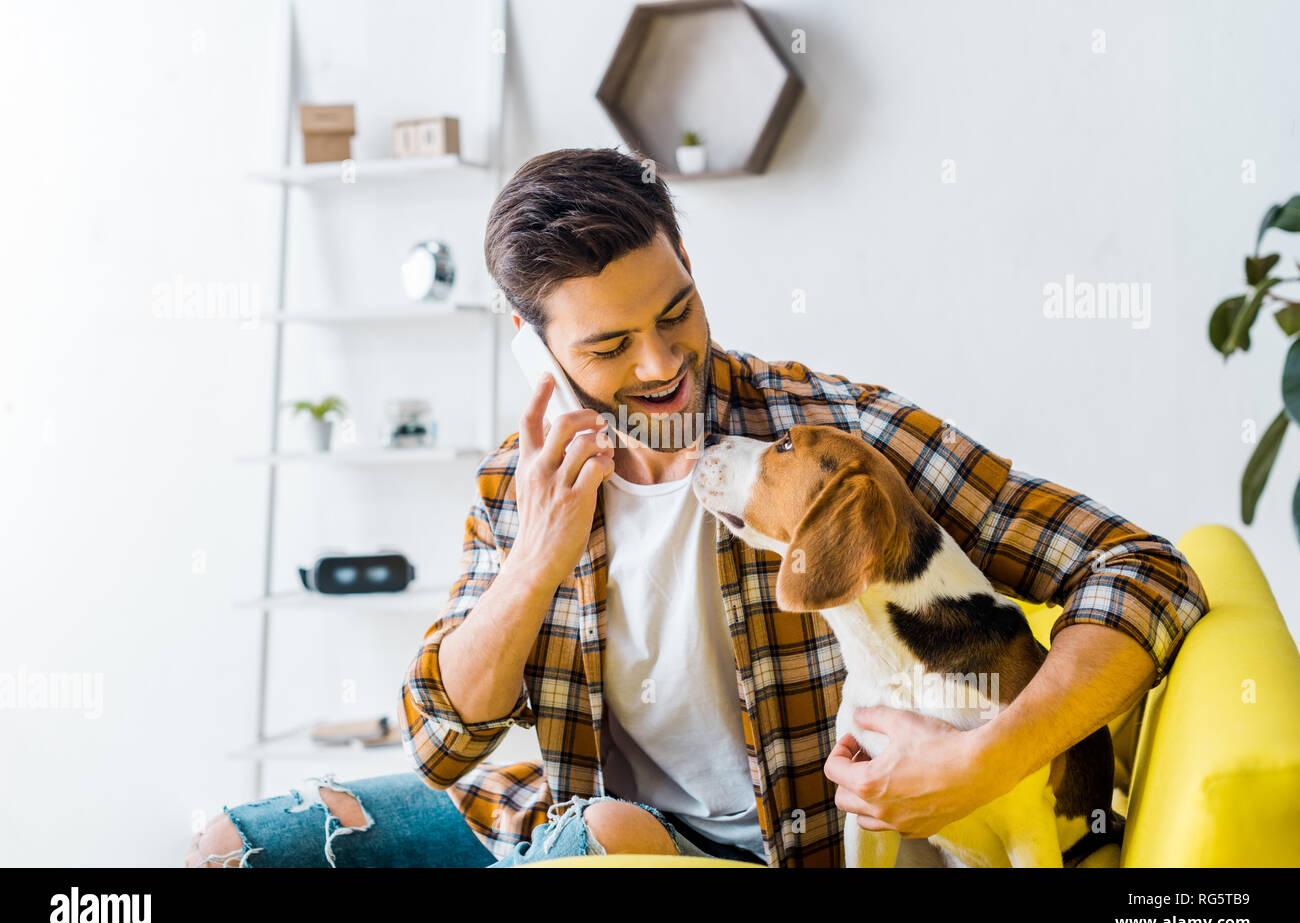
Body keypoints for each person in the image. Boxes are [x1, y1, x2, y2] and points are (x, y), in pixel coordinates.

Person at [187, 147, 1208, 868]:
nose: (663, 363)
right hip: (542, 815)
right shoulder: (521, 480)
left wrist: (986, 759)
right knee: (226, 847)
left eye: (676, 310)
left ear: (685, 258)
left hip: (740, 844)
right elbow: (441, 744)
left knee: (603, 839)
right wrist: (535, 560)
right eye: (605, 346)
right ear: (531, 344)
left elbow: (1139, 569)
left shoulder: (830, 441)